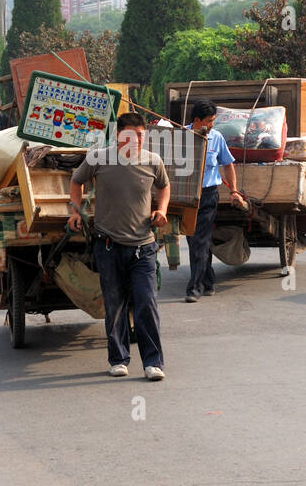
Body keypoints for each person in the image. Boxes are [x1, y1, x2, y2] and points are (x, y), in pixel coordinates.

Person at [69, 112, 171, 380]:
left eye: (141, 135)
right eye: (132, 134)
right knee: (114, 303)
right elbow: (76, 181)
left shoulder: (153, 161)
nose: (137, 139)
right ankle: (118, 358)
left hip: (143, 247)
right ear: (118, 135)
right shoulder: (98, 159)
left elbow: (164, 186)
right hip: (108, 245)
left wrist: (161, 209)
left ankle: (153, 362)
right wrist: (76, 211)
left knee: (145, 303)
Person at [184, 100, 247, 303]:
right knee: (193, 241)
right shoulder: (180, 136)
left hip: (208, 196)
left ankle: (194, 288)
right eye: (209, 121)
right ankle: (209, 281)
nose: (212, 125)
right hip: (185, 198)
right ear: (197, 120)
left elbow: (228, 165)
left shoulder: (216, 137)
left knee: (199, 241)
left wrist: (234, 190)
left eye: (213, 120)